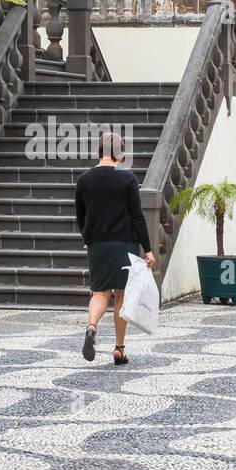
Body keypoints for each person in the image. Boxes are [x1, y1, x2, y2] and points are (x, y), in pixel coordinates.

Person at [74, 131, 155, 364]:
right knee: (121, 295)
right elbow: (137, 217)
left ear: (99, 151)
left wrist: (89, 237)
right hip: (124, 245)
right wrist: (147, 249)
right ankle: (119, 349)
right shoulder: (127, 178)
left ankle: (92, 326)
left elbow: (81, 216)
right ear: (120, 154)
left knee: (99, 293)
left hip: (98, 244)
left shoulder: (84, 180)